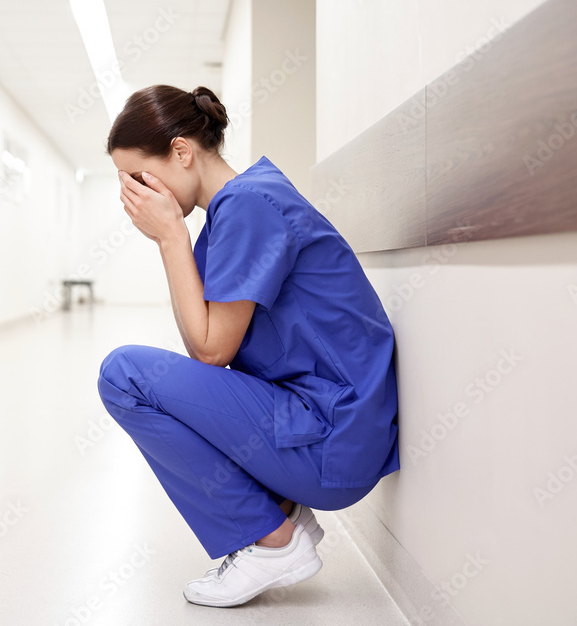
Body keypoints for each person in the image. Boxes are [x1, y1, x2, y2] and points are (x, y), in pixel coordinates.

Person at [96, 84, 400, 608]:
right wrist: (178, 237)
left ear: (182, 152)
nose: (135, 194)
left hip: (335, 439)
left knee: (124, 374)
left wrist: (171, 237)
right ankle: (277, 512)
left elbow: (209, 350)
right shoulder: (233, 211)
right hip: (327, 428)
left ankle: (273, 541)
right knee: (165, 384)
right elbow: (207, 350)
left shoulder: (249, 206)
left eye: (140, 176)